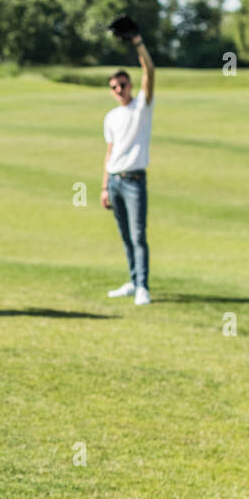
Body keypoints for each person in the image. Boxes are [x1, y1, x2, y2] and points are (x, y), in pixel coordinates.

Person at [100, 33, 156, 306]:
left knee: (138, 235)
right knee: (125, 236)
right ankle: (133, 281)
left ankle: (143, 286)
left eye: (122, 84)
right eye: (114, 87)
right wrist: (103, 186)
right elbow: (109, 151)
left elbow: (150, 70)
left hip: (134, 181)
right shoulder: (111, 117)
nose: (119, 90)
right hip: (115, 180)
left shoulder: (141, 107)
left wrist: (137, 42)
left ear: (130, 84)